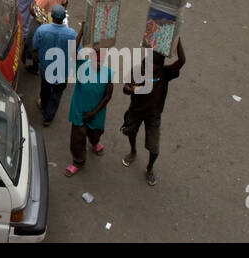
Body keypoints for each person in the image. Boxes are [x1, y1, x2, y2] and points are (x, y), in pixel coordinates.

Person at [121, 40, 185, 186]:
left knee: (154, 148)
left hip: (153, 115)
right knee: (130, 133)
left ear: (159, 67)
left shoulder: (165, 73)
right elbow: (125, 88)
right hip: (135, 111)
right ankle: (133, 151)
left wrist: (176, 39)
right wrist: (130, 89)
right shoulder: (138, 70)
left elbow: (182, 60)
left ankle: (150, 168)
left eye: (153, 68)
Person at [66, 48, 113, 176]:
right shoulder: (82, 67)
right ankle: (78, 161)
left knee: (96, 131)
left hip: (97, 112)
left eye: (101, 61)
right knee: (77, 138)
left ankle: (95, 141)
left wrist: (94, 112)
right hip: (80, 110)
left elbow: (108, 95)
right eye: (96, 61)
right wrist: (82, 30)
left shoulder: (108, 73)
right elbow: (73, 50)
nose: (99, 64)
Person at [34, 5, 77, 126]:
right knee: (57, 93)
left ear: (51, 16)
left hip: (46, 68)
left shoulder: (42, 30)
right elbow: (77, 51)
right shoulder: (71, 33)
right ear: (64, 18)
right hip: (63, 71)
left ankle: (43, 105)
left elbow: (35, 44)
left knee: (45, 88)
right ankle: (49, 116)